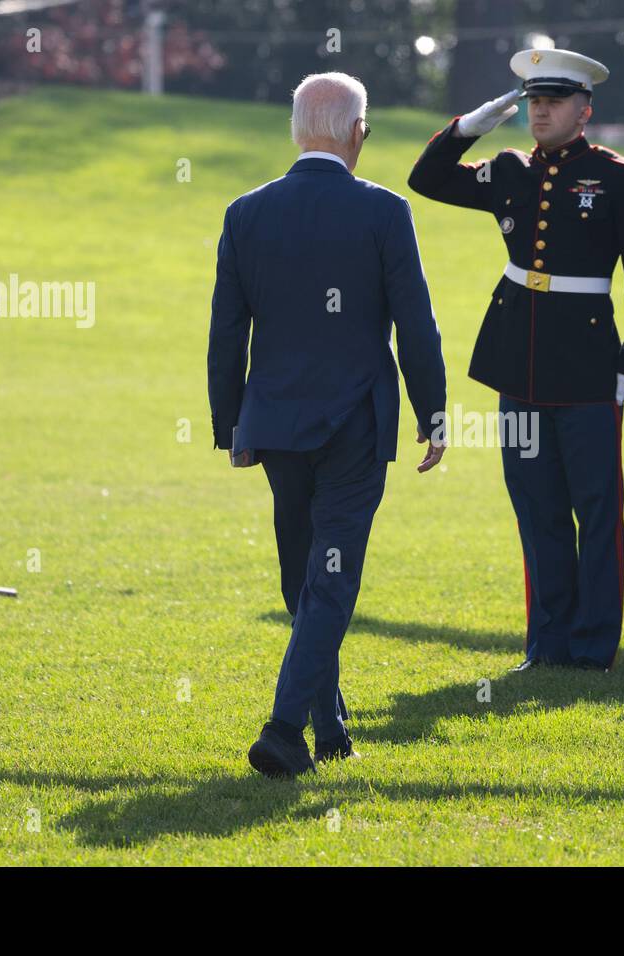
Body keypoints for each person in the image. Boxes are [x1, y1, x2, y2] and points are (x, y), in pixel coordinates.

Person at [208, 72, 447, 778]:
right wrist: (432, 413)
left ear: (296, 132)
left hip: (277, 425)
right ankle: (285, 729)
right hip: (354, 425)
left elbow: (227, 334)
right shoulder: (384, 210)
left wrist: (230, 427)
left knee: (304, 573)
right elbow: (416, 325)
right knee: (330, 577)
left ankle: (330, 727)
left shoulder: (245, 212)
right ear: (356, 132)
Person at [408, 49, 624, 672]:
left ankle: (592, 647)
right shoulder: (508, 169)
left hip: (587, 364)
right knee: (536, 506)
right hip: (516, 360)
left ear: (585, 110)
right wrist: (472, 124)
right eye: (533, 101)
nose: (540, 110)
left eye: (553, 101)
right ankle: (546, 644)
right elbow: (426, 179)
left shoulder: (621, 177)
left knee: (596, 507)